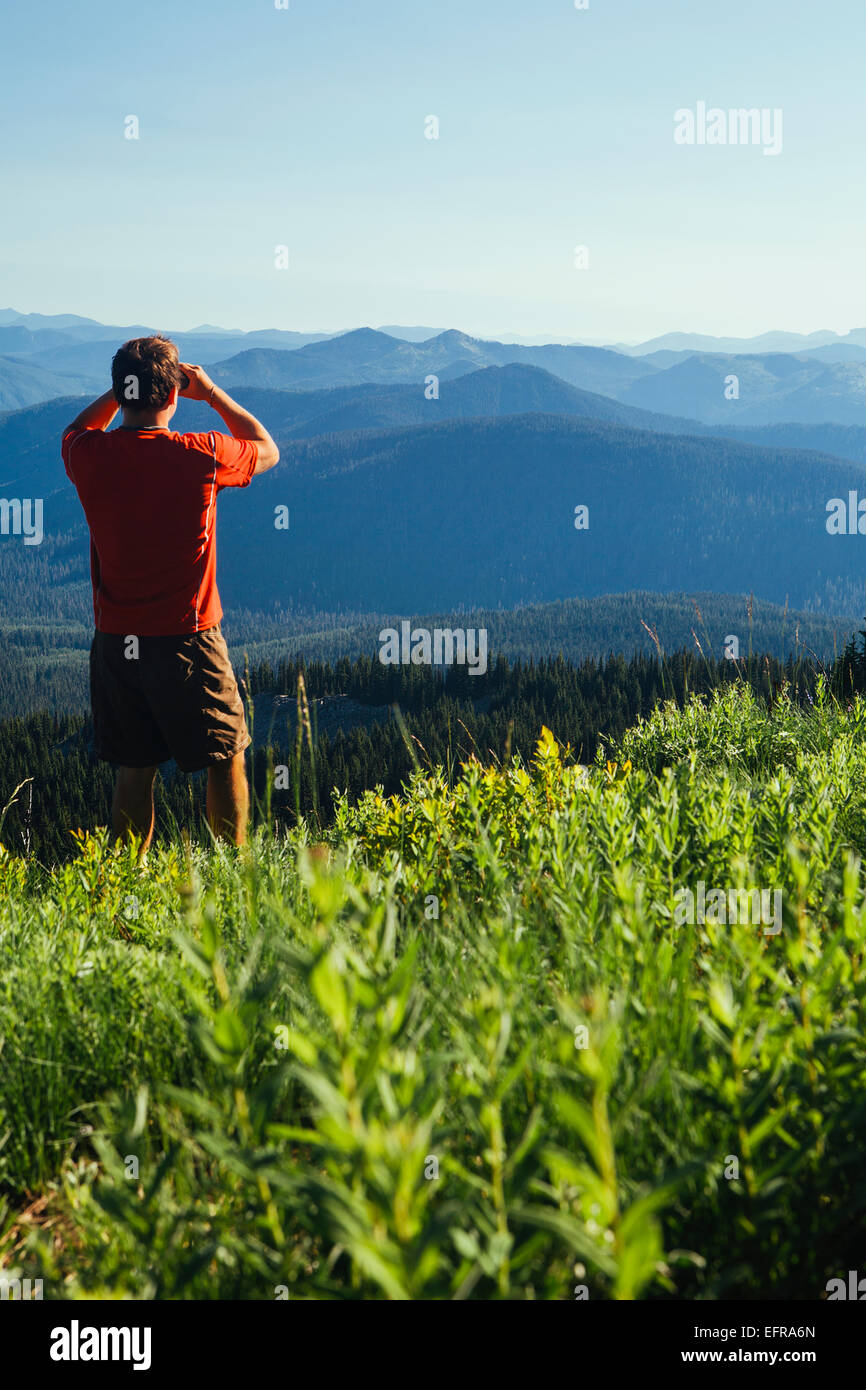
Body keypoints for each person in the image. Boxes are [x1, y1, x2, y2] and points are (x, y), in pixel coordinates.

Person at [61, 335, 279, 850]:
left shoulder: (90, 456)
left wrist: (120, 394)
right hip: (189, 636)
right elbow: (268, 449)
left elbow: (76, 429)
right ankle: (230, 872)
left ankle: (125, 890)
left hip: (116, 642)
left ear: (124, 391)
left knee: (134, 772)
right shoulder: (201, 454)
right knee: (225, 756)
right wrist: (214, 392)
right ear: (174, 395)